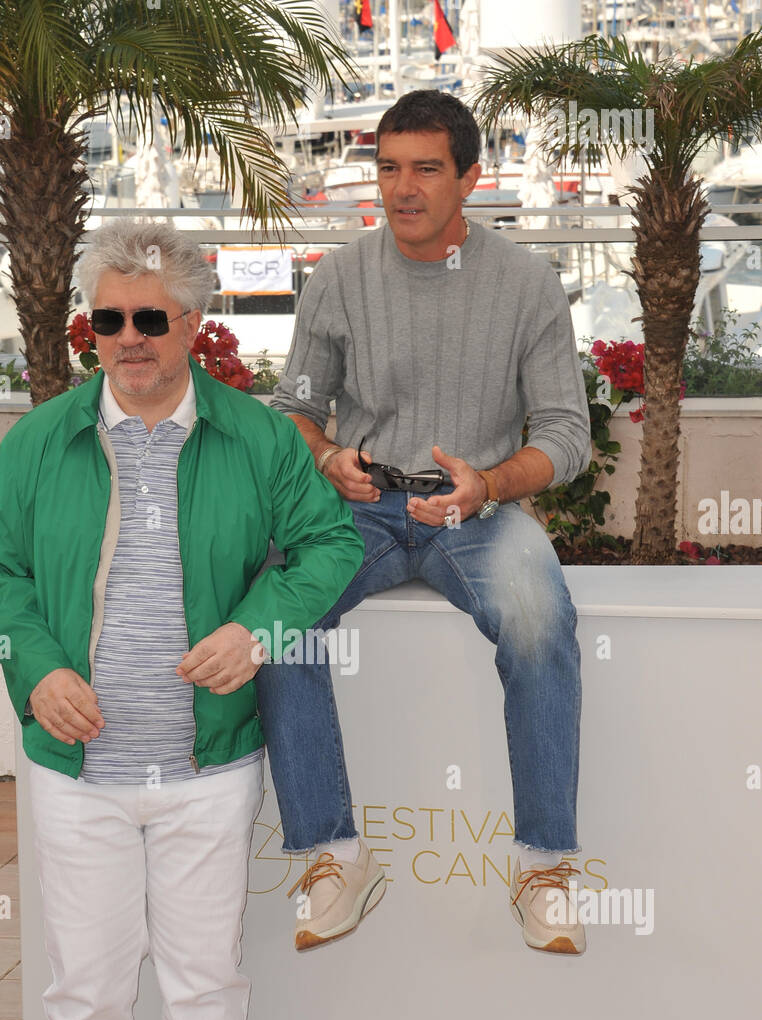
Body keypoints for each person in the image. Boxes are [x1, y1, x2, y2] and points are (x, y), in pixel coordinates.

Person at [0, 219, 364, 1020]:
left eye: (151, 318)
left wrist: (257, 629)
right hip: (76, 769)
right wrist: (36, 669)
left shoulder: (259, 437)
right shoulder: (37, 441)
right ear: (85, 329)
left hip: (208, 762)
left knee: (201, 977)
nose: (129, 338)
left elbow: (325, 544)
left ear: (192, 324)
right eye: (110, 318)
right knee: (86, 982)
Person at [257, 90, 592, 955]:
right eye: (389, 168)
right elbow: (293, 408)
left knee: (540, 618)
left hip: (474, 510)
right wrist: (329, 457)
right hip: (362, 508)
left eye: (426, 169)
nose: (403, 188)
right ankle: (333, 857)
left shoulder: (526, 284)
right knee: (275, 614)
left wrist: (487, 485)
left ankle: (545, 868)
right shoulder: (337, 279)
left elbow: (566, 433)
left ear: (471, 177)